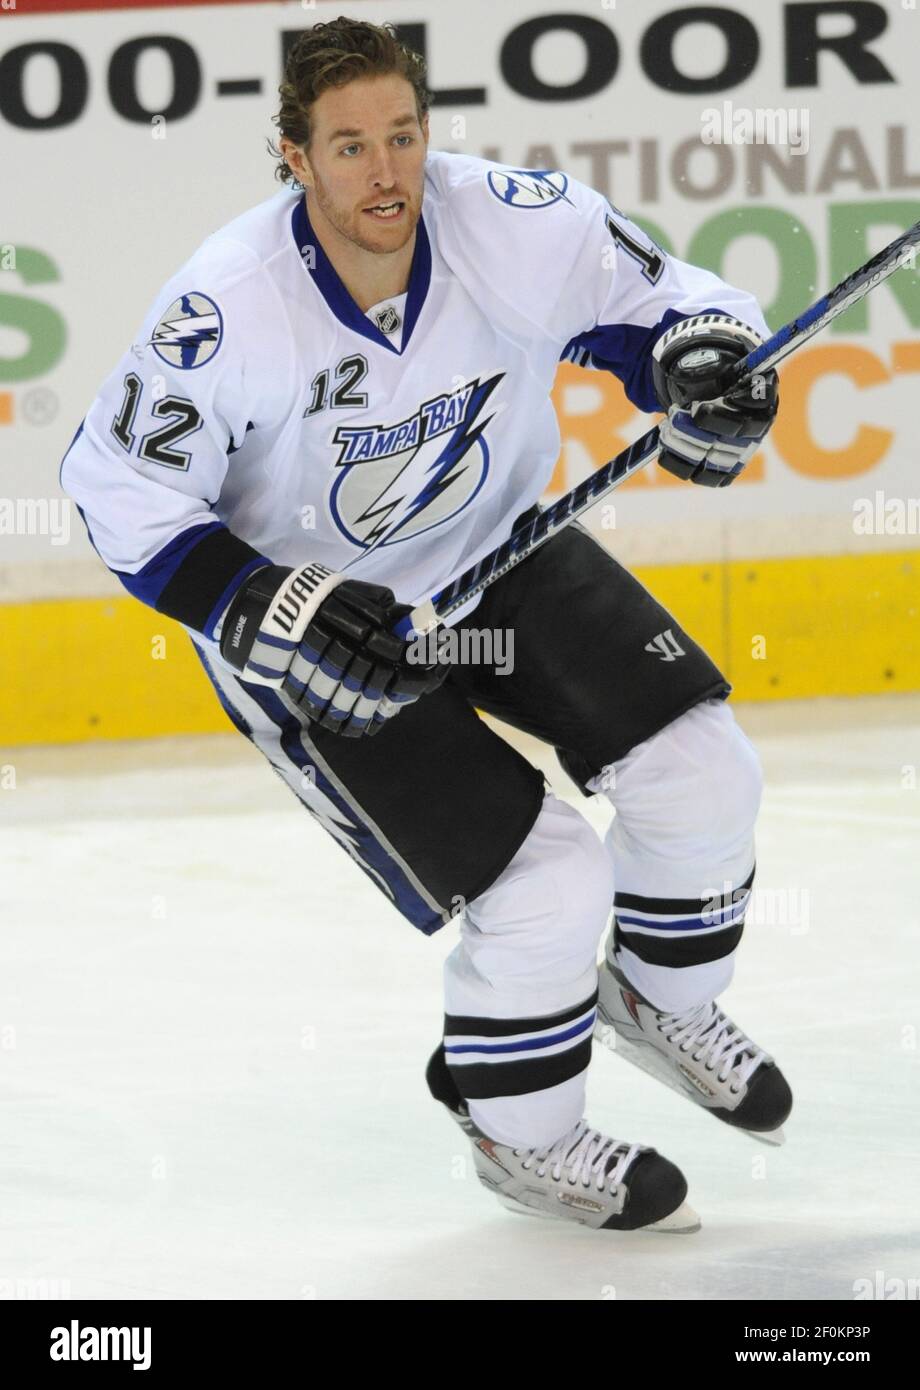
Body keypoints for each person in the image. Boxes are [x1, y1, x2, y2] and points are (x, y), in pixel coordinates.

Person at [61, 15, 791, 1234]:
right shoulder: (225, 304)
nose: (385, 171)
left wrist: (702, 367)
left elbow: (659, 301)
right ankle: (522, 1135)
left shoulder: (503, 216)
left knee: (702, 770)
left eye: (401, 136)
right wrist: (270, 605)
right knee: (546, 882)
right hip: (324, 632)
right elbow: (117, 490)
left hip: (494, 560)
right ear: (293, 157)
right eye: (348, 147)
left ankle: (660, 997)